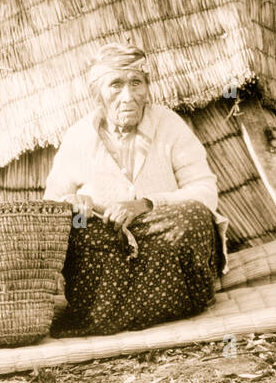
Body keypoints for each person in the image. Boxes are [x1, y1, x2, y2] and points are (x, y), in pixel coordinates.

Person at [43, 42, 227, 336]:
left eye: (136, 83)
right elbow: (50, 205)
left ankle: (117, 314)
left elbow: (205, 191)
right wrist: (74, 203)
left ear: (147, 88)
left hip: (164, 238)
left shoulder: (169, 124)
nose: (128, 96)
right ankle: (156, 308)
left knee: (194, 217)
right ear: (98, 94)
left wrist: (145, 204)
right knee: (76, 233)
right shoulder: (78, 138)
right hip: (108, 249)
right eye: (115, 85)